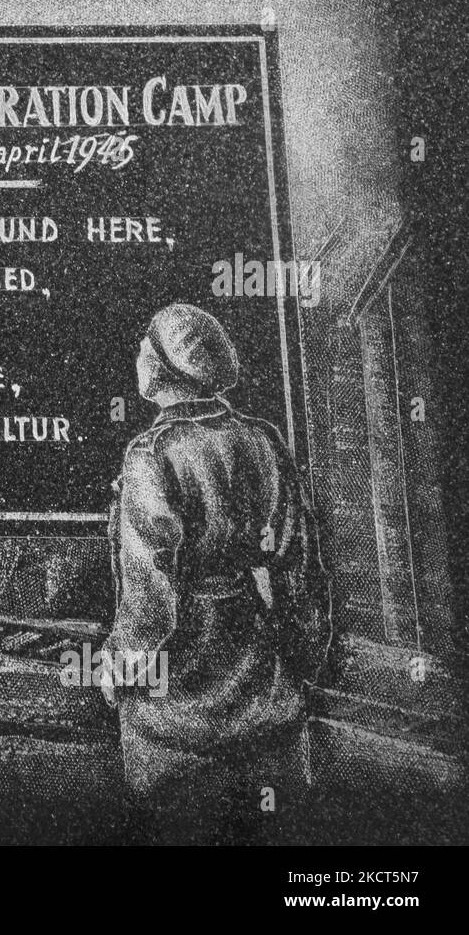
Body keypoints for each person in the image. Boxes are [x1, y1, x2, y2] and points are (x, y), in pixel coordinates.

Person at [103, 303, 331, 844]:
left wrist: (117, 671)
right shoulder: (264, 440)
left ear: (165, 366)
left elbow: (148, 598)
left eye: (144, 345)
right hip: (261, 678)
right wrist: (304, 654)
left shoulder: (150, 455)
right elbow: (298, 565)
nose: (137, 354)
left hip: (176, 699)